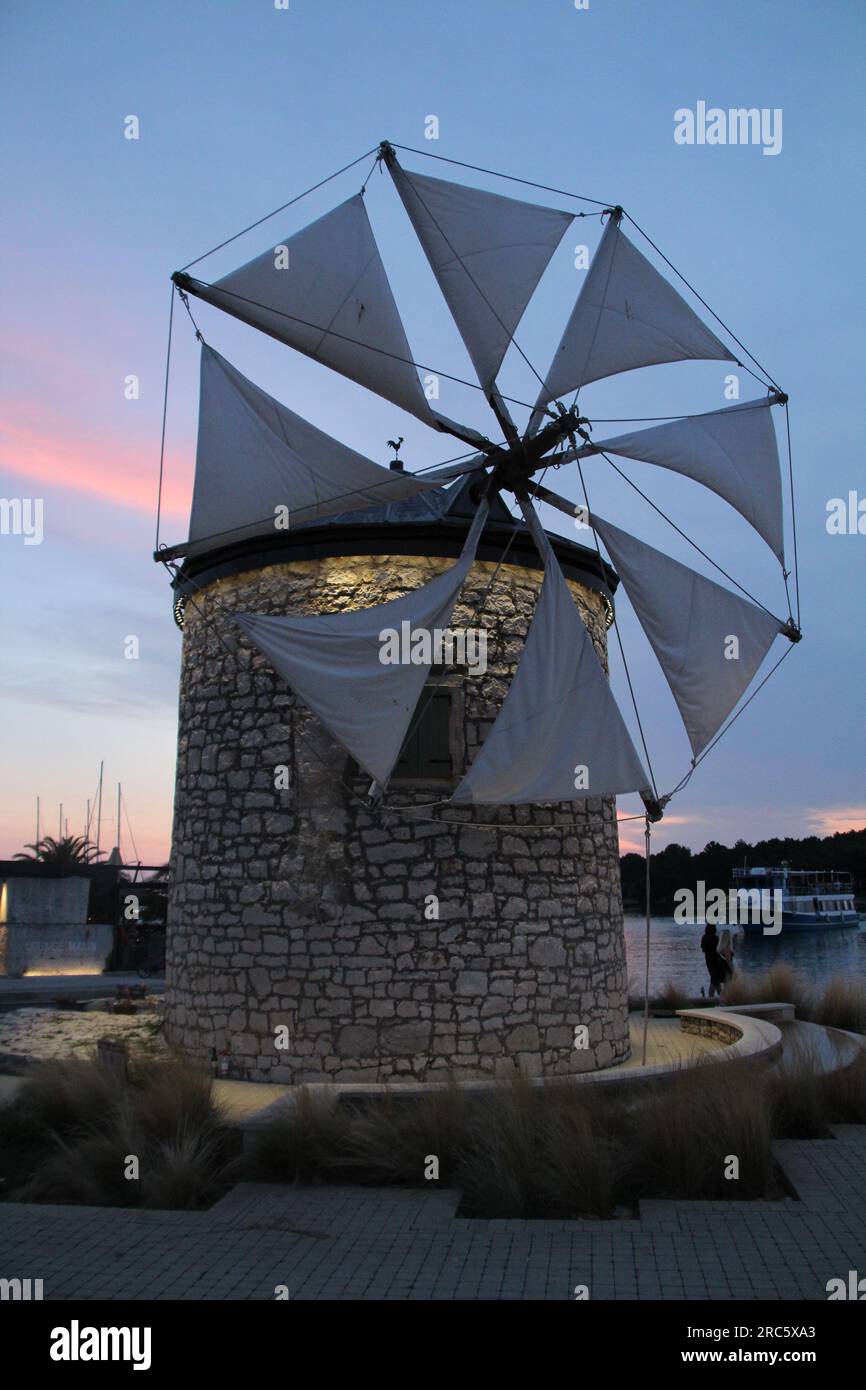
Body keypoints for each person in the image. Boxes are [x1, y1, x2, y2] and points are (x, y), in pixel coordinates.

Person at [700, 923, 722, 997]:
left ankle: (721, 998)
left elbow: (703, 949)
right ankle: (711, 999)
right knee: (714, 981)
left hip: (709, 962)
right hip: (716, 962)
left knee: (716, 981)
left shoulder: (704, 938)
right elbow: (720, 951)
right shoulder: (716, 938)